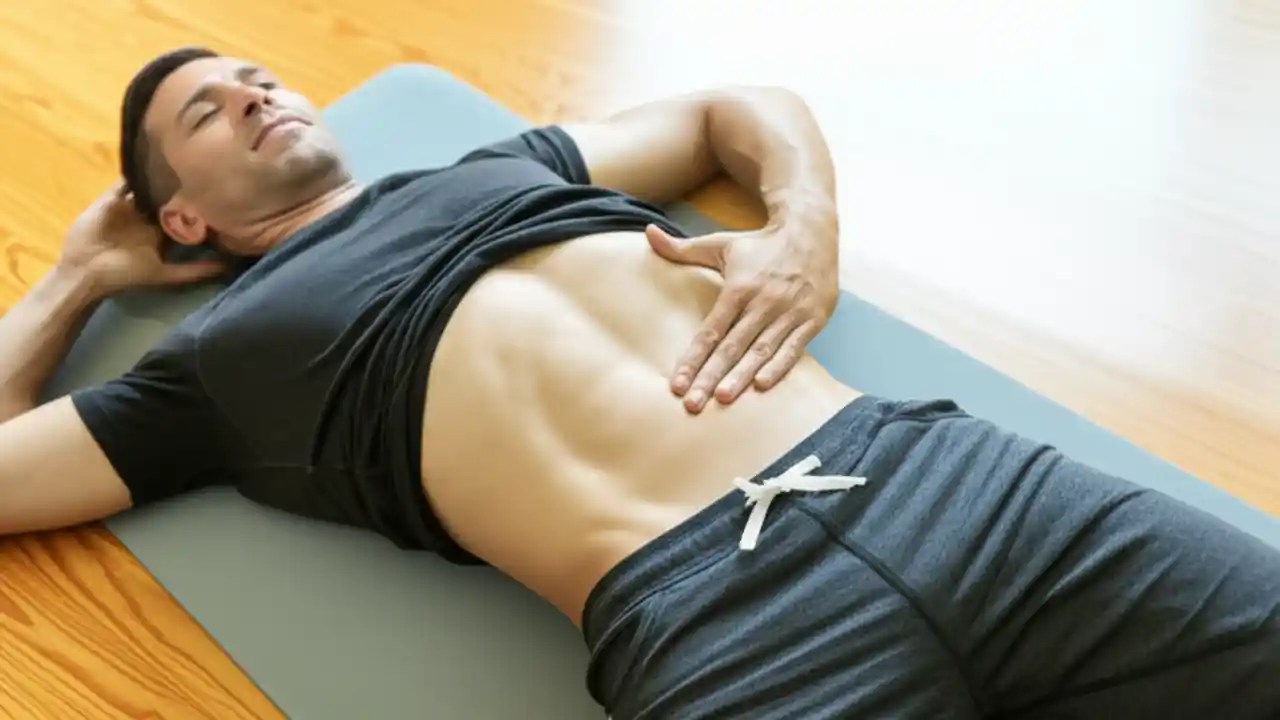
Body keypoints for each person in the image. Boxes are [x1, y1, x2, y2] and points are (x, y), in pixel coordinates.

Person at [0, 47, 1276, 719]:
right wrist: (71, 283)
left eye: (255, 77)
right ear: (176, 219)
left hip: (955, 487)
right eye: (207, 115)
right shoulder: (209, 370)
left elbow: (739, 104)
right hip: (721, 630)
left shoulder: (499, 164)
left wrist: (802, 229)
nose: (253, 95)